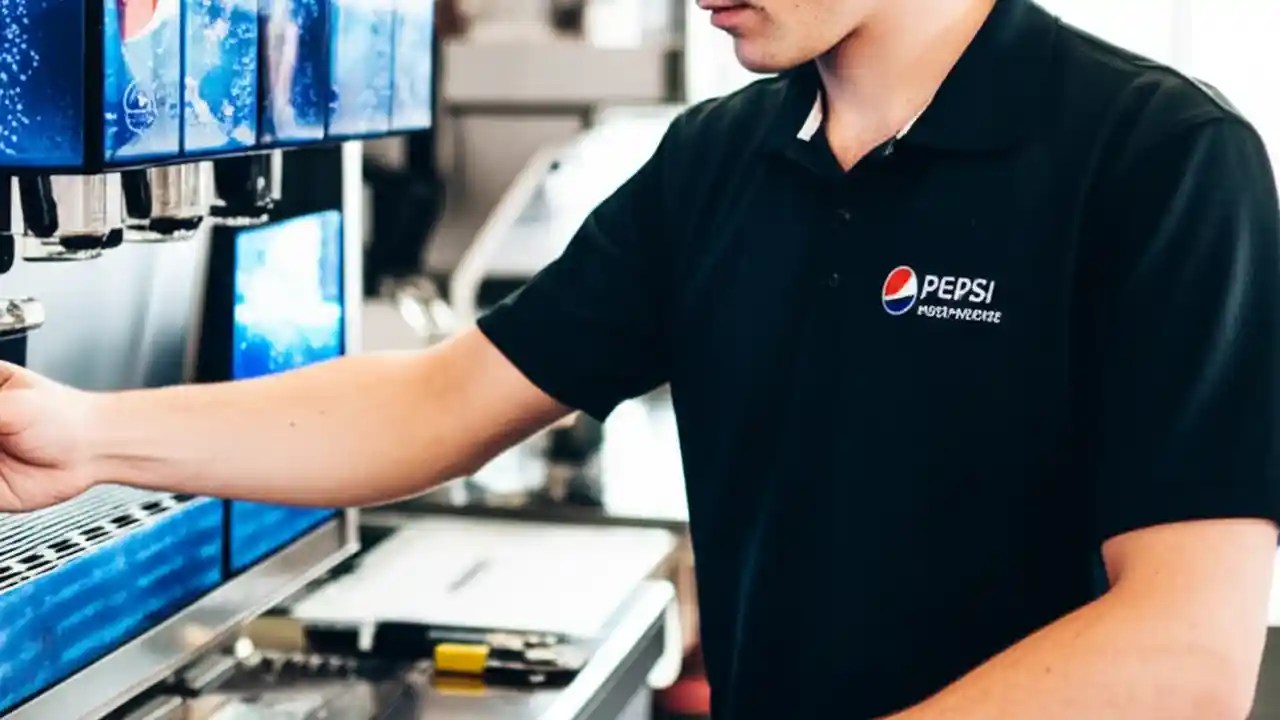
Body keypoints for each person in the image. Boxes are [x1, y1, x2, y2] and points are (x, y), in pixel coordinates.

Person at [3, 0, 1279, 716]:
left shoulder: (1156, 162)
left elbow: (1185, 650)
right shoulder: (717, 163)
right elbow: (445, 396)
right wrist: (87, 435)